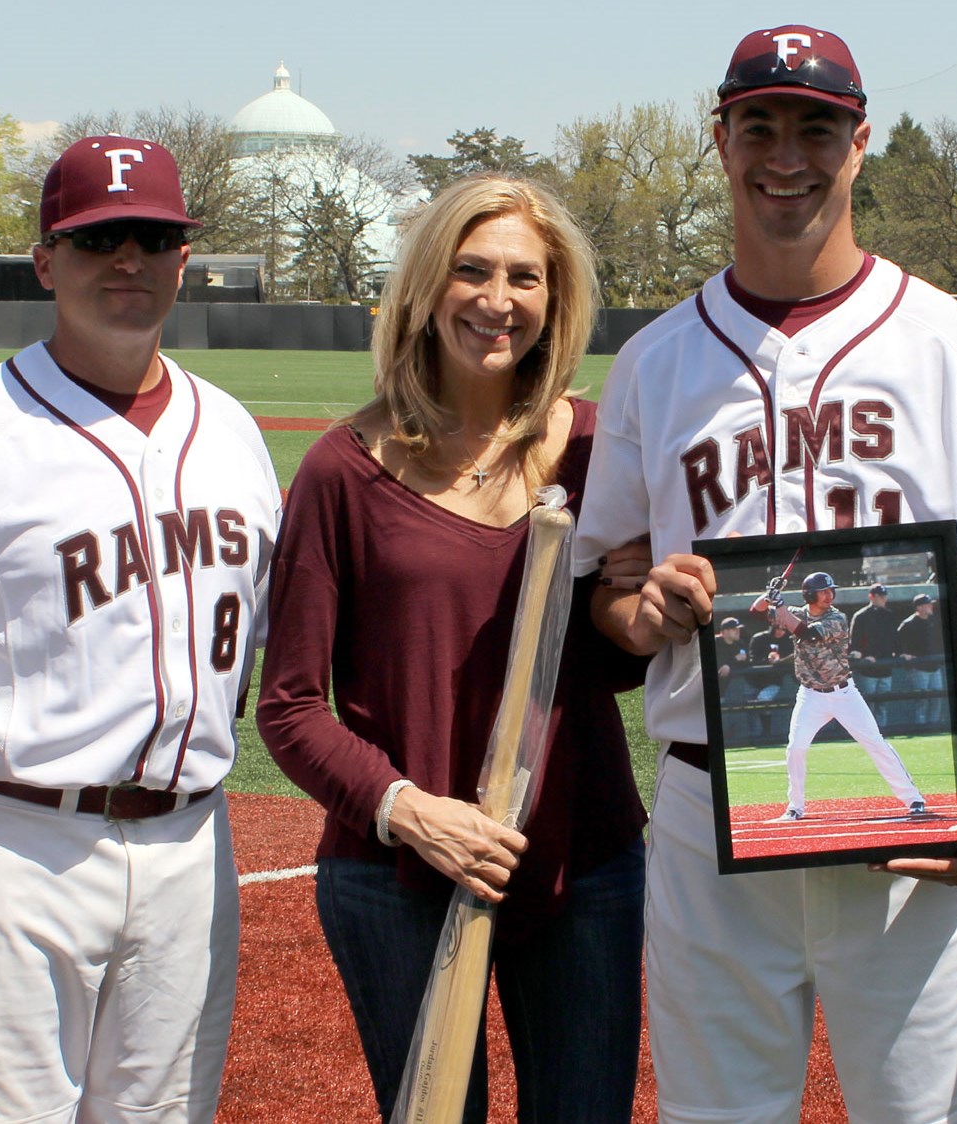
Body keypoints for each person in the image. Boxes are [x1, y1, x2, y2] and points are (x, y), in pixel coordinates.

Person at [574, 24, 957, 1122]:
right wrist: (639, 612)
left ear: (859, 142)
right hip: (707, 803)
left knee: (921, 1112)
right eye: (760, 125)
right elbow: (604, 583)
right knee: (716, 1112)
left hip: (915, 834)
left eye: (814, 126)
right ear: (720, 139)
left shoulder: (954, 346)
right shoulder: (657, 358)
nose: (785, 154)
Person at [0, 135, 280, 1122]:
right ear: (46, 259)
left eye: (150, 237)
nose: (127, 262)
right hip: (12, 847)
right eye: (98, 239)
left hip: (190, 844)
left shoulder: (228, 431)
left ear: (185, 259)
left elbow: (253, 648)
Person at [256, 175, 647, 1124]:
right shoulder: (343, 470)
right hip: (398, 874)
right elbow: (291, 704)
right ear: (429, 287)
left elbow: (618, 662)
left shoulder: (601, 449)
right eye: (471, 271)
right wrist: (413, 813)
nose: (497, 300)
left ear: (556, 301)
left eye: (525, 277)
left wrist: (647, 612)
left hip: (578, 859)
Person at [753, 572, 926, 823]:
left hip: (844, 693)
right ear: (809, 594)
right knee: (795, 748)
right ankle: (795, 807)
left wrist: (779, 605)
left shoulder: (837, 617)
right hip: (810, 695)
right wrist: (769, 594)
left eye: (830, 590)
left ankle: (914, 799)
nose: (829, 595)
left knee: (875, 743)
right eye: (823, 591)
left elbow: (807, 633)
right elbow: (757, 611)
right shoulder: (797, 612)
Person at [846, 581, 901, 721]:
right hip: (868, 669)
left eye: (883, 596)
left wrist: (899, 654)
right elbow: (855, 643)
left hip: (886, 666)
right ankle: (868, 735)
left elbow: (895, 638)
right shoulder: (861, 616)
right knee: (867, 704)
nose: (882, 599)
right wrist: (862, 656)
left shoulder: (890, 615)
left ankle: (883, 732)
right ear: (871, 596)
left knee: (883, 704)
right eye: (879, 596)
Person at [895, 593, 946, 727]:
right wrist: (904, 654)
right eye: (927, 604)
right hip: (918, 669)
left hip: (934, 667)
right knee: (921, 700)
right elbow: (898, 645)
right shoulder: (908, 624)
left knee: (937, 698)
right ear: (920, 607)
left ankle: (934, 726)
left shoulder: (934, 621)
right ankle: (920, 727)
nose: (930, 606)